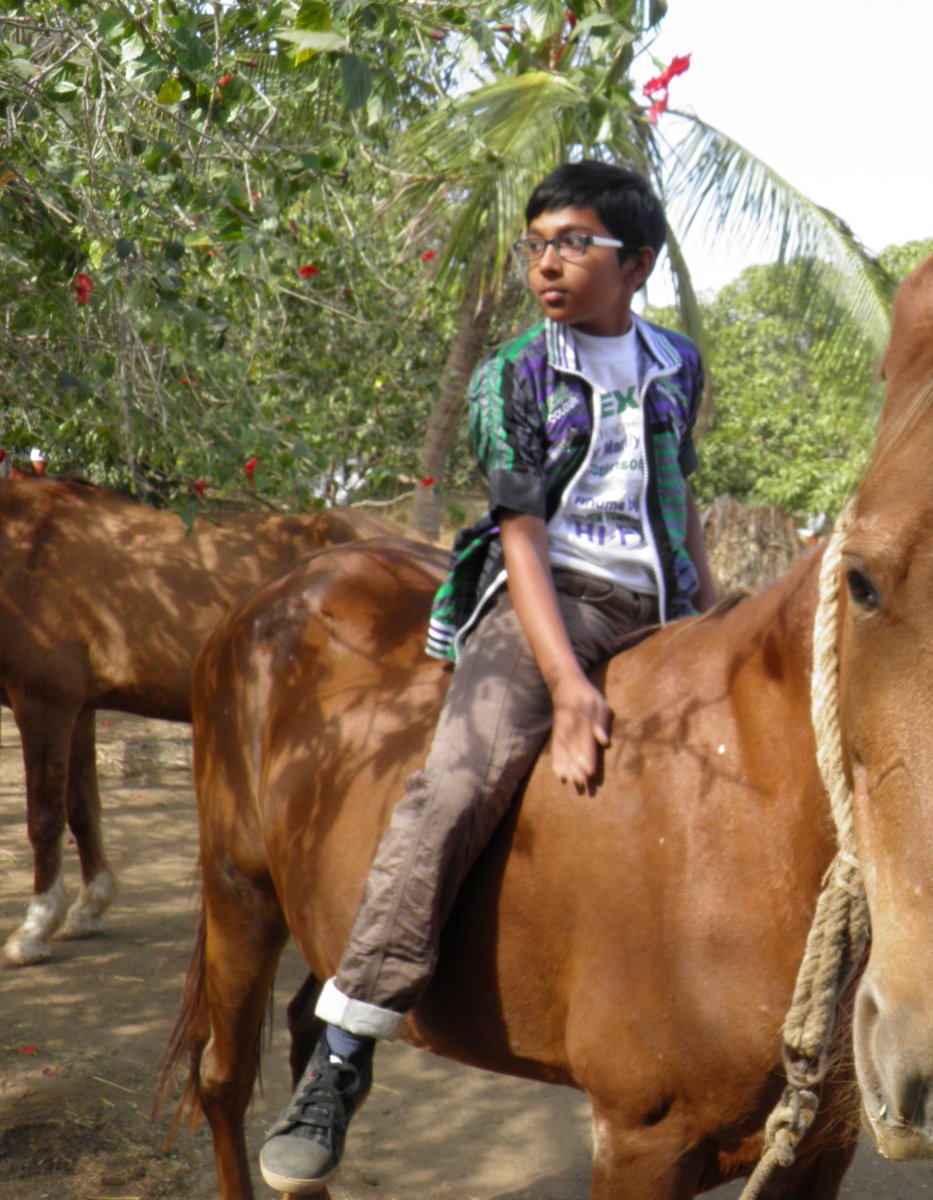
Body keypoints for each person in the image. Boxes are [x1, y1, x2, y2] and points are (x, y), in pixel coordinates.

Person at [259, 160, 716, 1195]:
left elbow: (679, 502)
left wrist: (708, 615)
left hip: (665, 608)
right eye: (538, 242)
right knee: (456, 787)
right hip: (548, 604)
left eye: (573, 242)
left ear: (636, 263)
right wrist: (568, 685)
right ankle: (345, 1051)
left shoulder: (677, 363)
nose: (547, 261)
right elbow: (520, 532)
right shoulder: (511, 373)